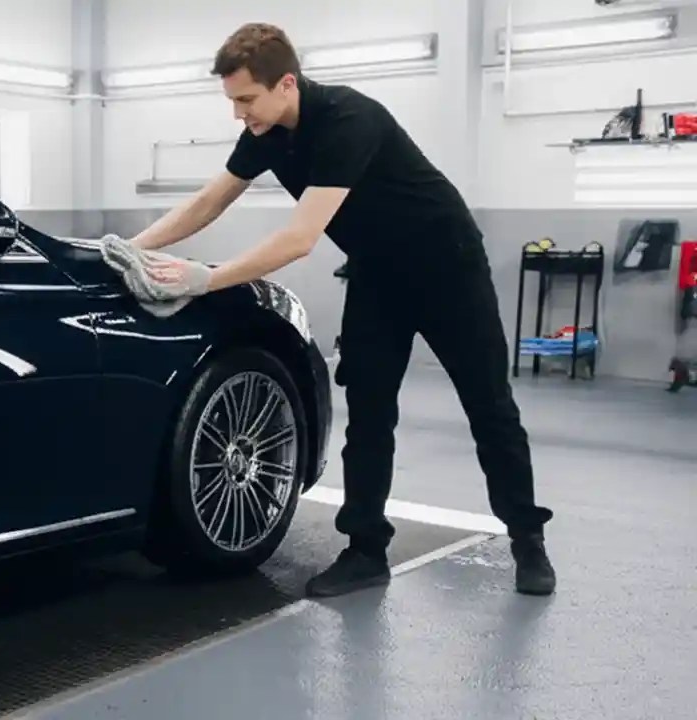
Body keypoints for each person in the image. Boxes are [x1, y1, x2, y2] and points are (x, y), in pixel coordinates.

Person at [126, 22, 557, 597]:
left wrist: (208, 280)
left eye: (246, 100)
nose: (239, 114)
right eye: (233, 101)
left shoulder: (350, 120)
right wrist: (131, 250)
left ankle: (528, 540)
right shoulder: (266, 131)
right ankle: (365, 550)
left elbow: (301, 237)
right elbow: (209, 201)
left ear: (286, 84)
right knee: (370, 411)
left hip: (446, 266)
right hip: (379, 273)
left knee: (489, 407)